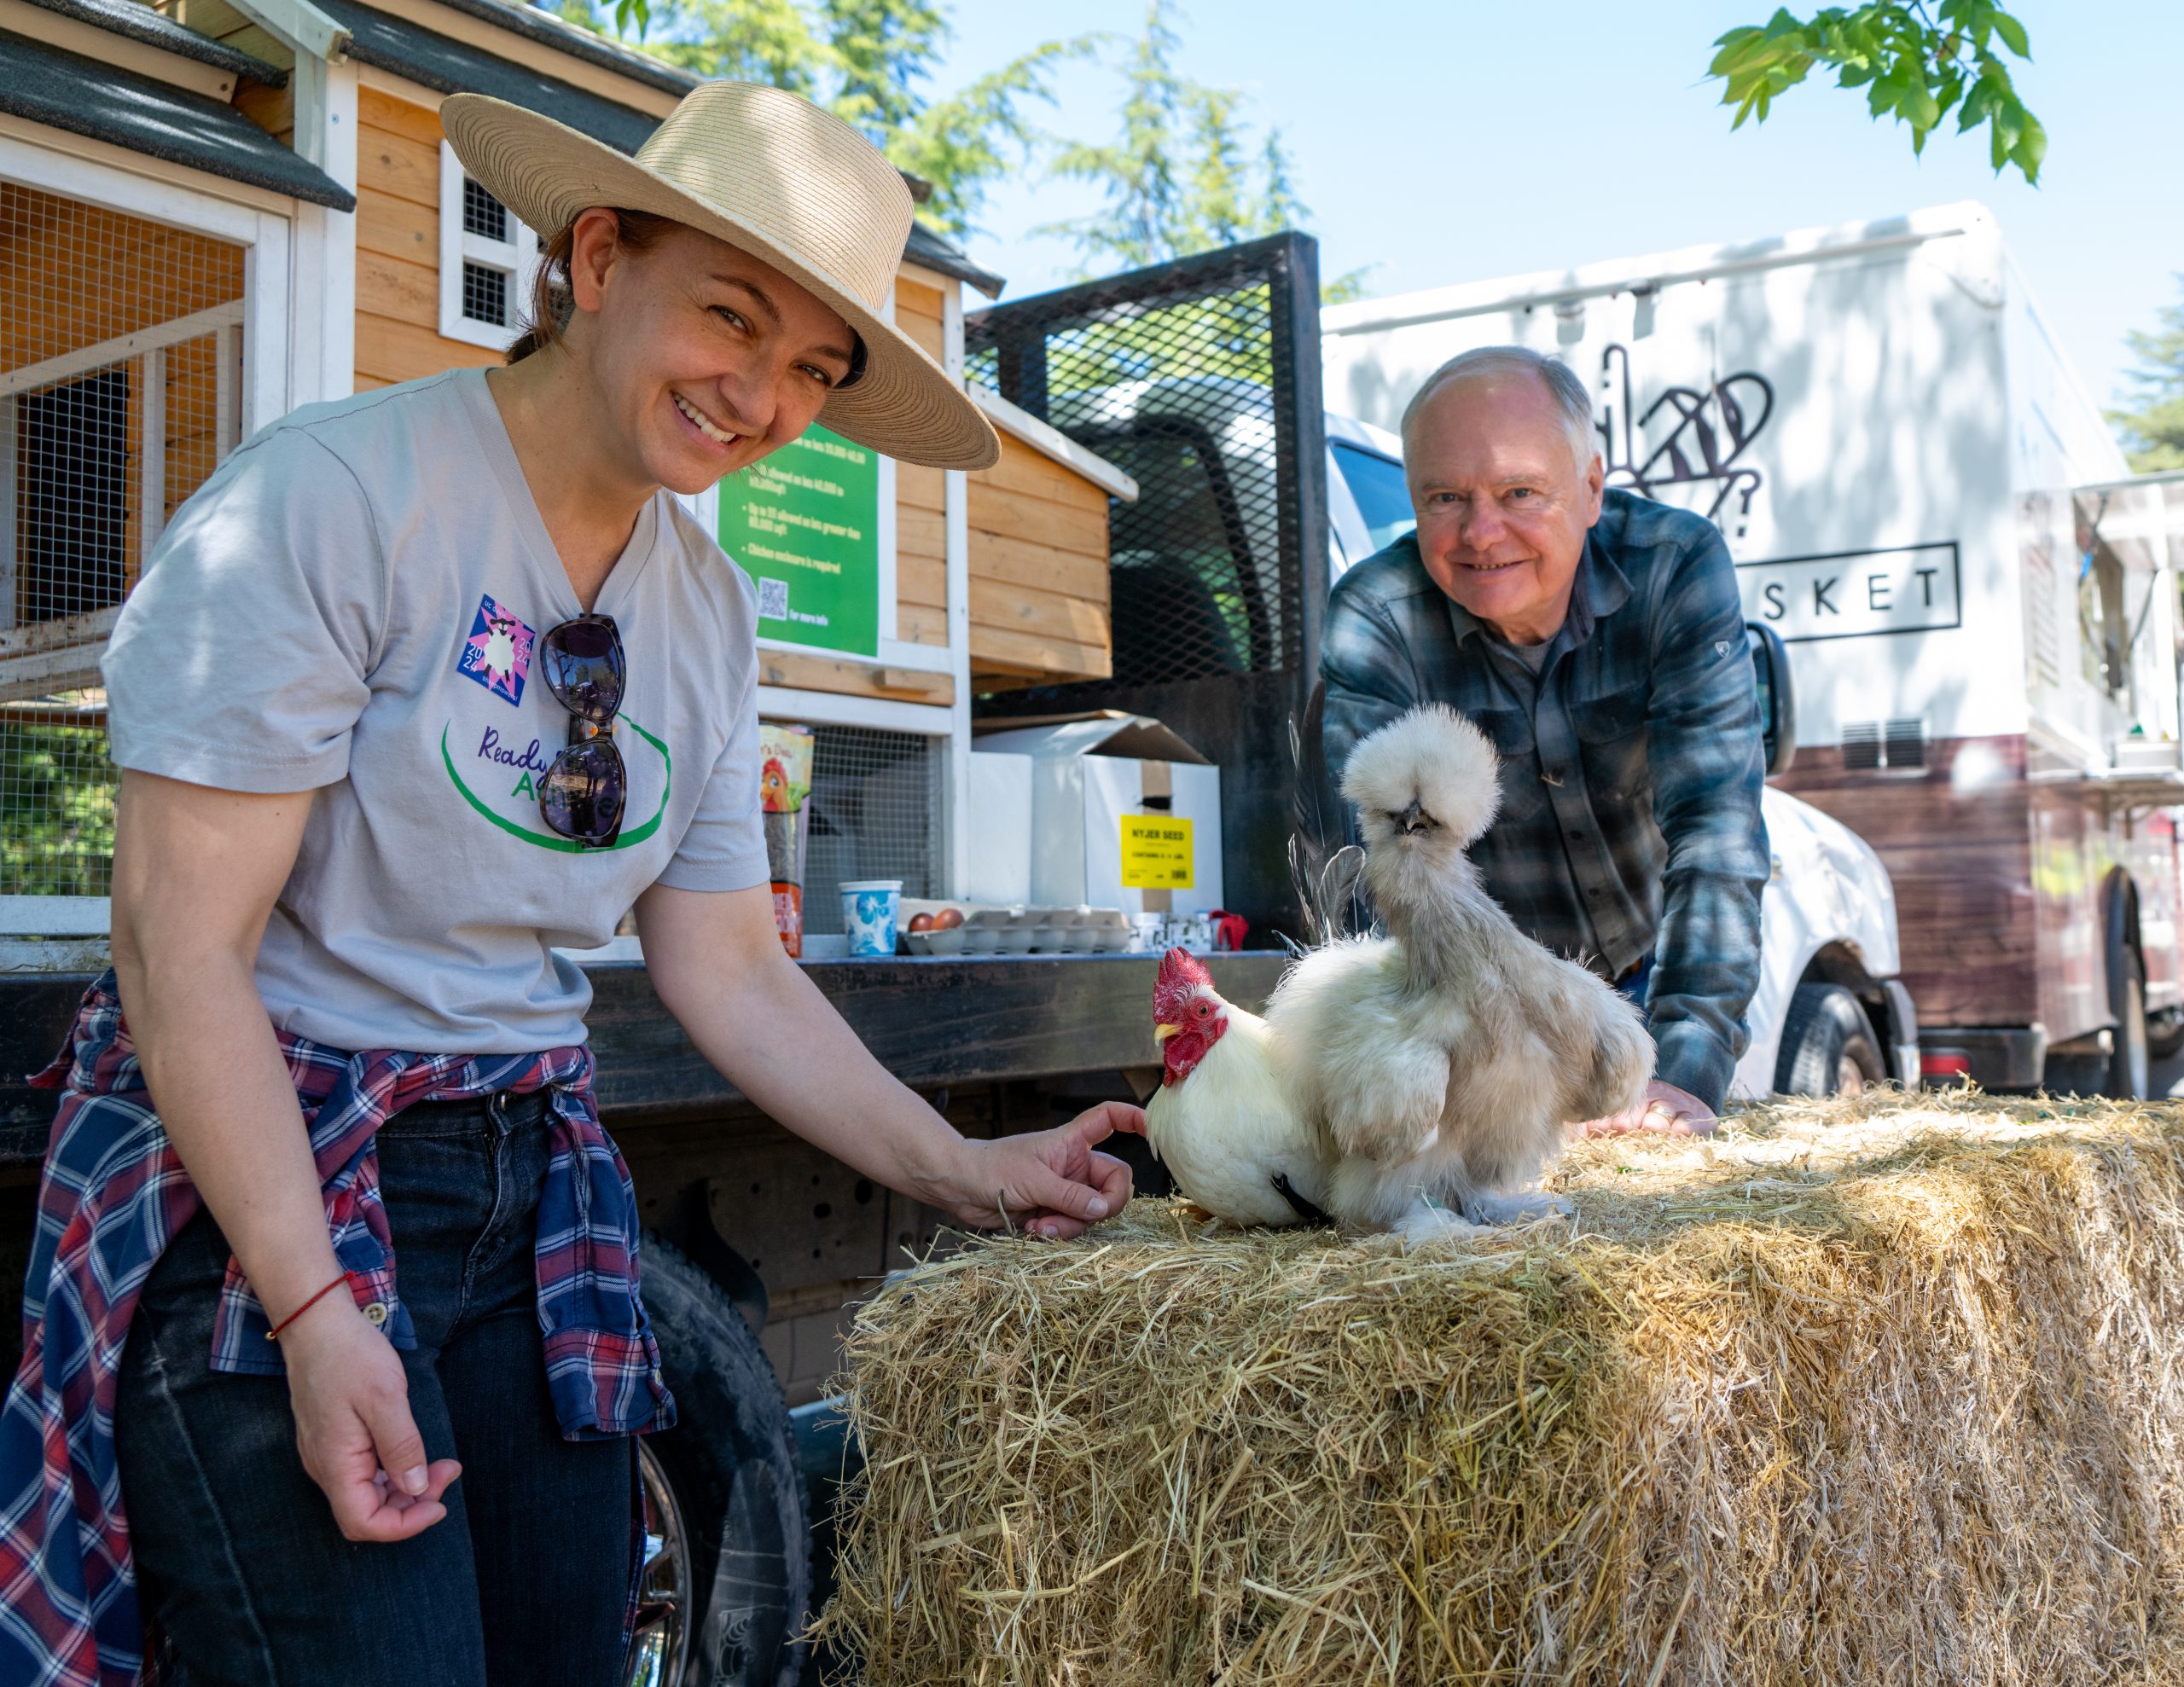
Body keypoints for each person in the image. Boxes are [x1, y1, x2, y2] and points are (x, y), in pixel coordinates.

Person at [0, 83, 1136, 1686]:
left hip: (533, 1186)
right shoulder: (334, 497)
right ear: (597, 259)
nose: (760, 397)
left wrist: (963, 1167)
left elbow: (728, 964)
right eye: (730, 317)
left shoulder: (706, 608)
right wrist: (315, 1309)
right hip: (276, 1181)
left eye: (814, 368)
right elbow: (177, 950)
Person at [1312, 345, 1769, 1133]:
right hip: (1487, 995)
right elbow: (1370, 873)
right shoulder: (1375, 615)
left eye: (1520, 491)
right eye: (1446, 497)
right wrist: (1430, 1071)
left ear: (1591, 488)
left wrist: (1684, 1069)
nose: (1482, 533)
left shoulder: (1675, 567)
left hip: (1652, 968)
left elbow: (1716, 830)